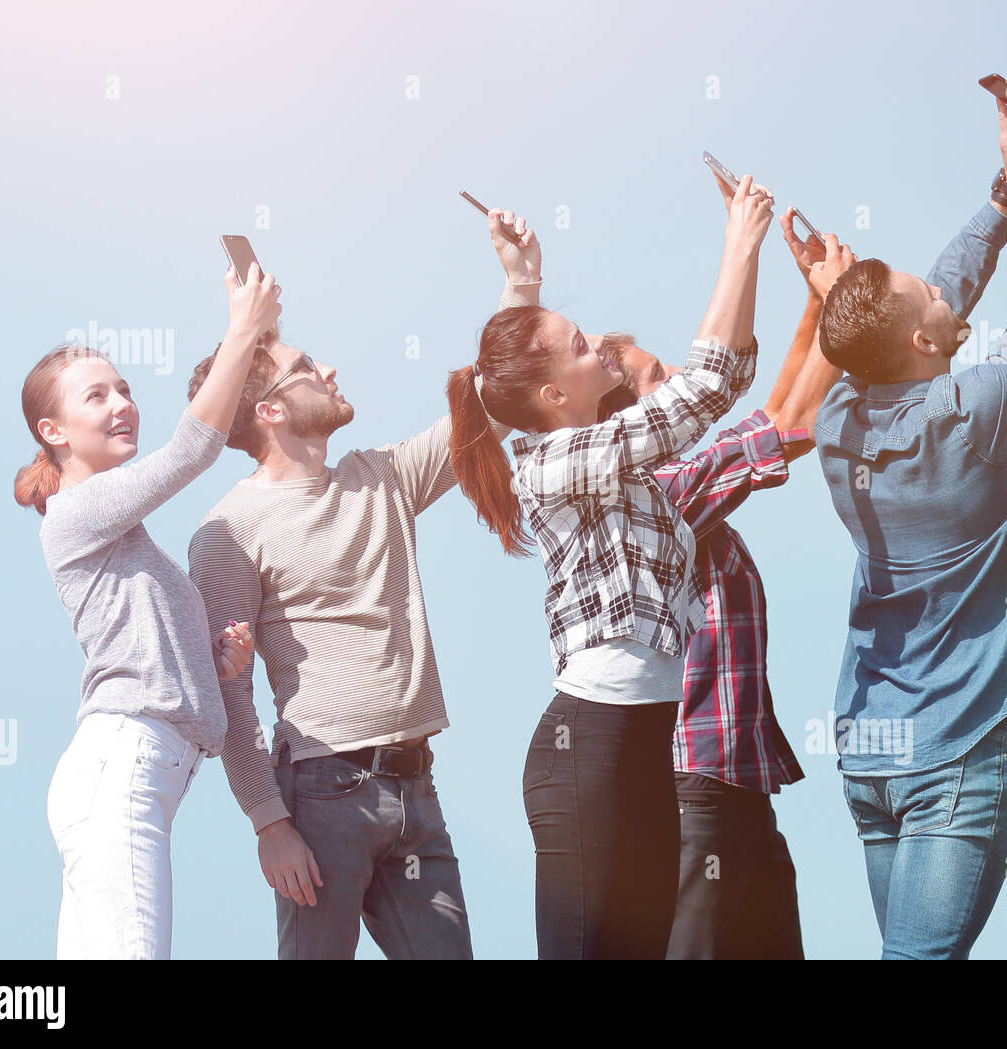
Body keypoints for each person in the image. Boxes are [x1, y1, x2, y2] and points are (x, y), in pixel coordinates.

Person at [446, 175, 774, 959]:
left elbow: (717, 386)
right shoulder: (551, 461)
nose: (600, 346)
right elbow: (705, 389)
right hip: (583, 750)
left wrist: (523, 277)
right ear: (556, 390)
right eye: (581, 343)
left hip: (646, 746)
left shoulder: (623, 470)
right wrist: (739, 242)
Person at [183, 247, 538, 959]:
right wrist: (269, 822)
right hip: (319, 797)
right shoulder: (228, 531)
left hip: (417, 791)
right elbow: (231, 692)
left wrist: (519, 285)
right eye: (310, 366)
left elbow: (482, 415)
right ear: (272, 409)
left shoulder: (383, 477)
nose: (333, 370)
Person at [813, 80, 1007, 959]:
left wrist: (1003, 194)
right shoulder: (969, 417)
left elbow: (912, 317)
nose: (944, 292)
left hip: (871, 757)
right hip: (954, 754)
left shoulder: (835, 423)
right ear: (927, 344)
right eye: (928, 296)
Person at [591, 205, 856, 959]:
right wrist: (846, 308)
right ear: (627, 412)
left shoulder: (693, 494)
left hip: (739, 787)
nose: (673, 376)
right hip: (692, 787)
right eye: (653, 376)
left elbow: (774, 410)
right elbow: (793, 425)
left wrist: (813, 298)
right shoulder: (660, 493)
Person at [15, 261, 280, 958]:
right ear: (55, 431)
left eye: (124, 389)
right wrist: (245, 328)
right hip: (121, 766)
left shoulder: (122, 537)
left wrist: (217, 665)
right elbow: (192, 450)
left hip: (129, 771)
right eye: (95, 396)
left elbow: (153, 657)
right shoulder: (78, 511)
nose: (121, 404)